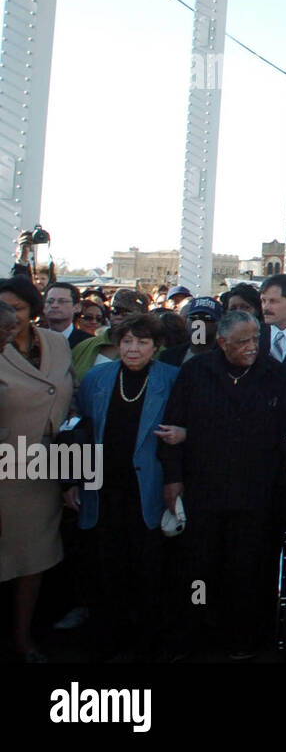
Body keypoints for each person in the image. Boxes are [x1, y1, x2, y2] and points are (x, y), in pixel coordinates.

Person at [158, 310, 286, 658]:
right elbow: (171, 429)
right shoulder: (195, 372)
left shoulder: (273, 374)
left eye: (255, 340)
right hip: (203, 490)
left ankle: (243, 640)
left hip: (255, 493)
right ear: (221, 342)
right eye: (243, 342)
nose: (251, 347)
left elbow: (281, 434)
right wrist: (172, 479)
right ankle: (196, 635)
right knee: (198, 569)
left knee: (246, 570)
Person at [66, 313, 180, 660]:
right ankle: (107, 638)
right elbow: (79, 428)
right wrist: (71, 480)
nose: (134, 349)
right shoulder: (97, 378)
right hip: (103, 489)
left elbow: (187, 429)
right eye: (127, 341)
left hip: (148, 487)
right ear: (117, 344)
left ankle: (145, 642)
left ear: (155, 346)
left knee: (147, 569)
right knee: (106, 567)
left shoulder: (172, 379)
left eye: (142, 342)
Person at [0, 278, 75, 661]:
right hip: (5, 470)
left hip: (47, 469)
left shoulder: (58, 343)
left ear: (35, 311)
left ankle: (23, 638)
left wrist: (74, 474)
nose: (10, 317)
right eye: (3, 308)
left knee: (36, 560)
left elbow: (71, 407)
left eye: (18, 308)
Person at [160, 296, 222, 367]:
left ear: (218, 323)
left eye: (207, 319)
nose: (199, 323)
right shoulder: (168, 356)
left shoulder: (227, 358)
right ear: (186, 321)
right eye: (194, 318)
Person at [42, 281, 89, 348]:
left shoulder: (87, 343)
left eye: (62, 301)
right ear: (44, 307)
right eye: (50, 301)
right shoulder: (36, 340)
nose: (54, 305)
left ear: (77, 307)